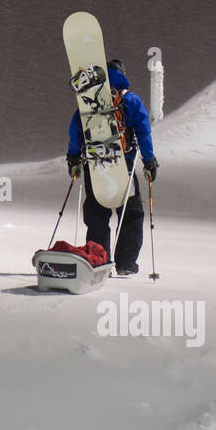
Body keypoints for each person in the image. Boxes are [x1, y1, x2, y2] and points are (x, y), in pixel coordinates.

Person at [66, 58, 158, 276]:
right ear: (122, 74)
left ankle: (98, 260)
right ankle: (125, 264)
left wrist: (72, 159)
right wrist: (149, 161)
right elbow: (144, 131)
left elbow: (75, 129)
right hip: (122, 165)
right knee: (131, 214)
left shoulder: (89, 101)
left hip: (94, 165)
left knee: (97, 214)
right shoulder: (130, 100)